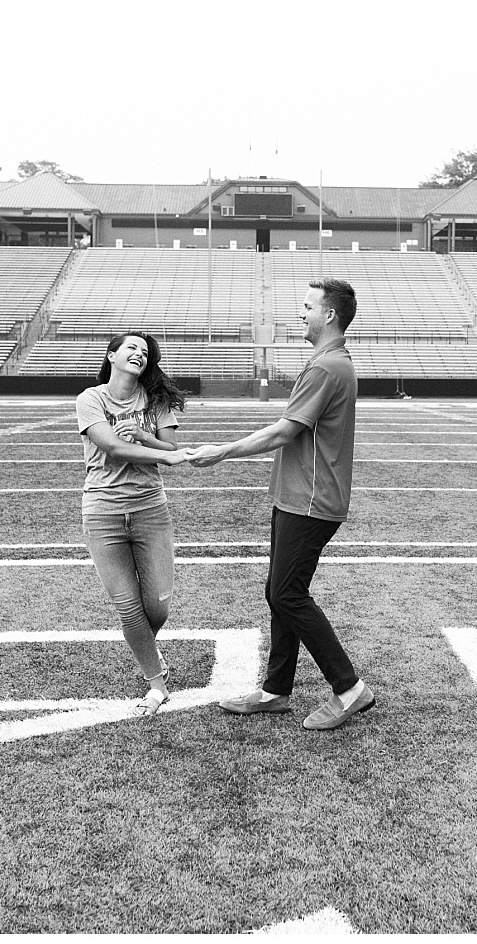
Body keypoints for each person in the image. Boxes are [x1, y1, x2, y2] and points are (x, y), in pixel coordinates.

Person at [188, 278, 374, 731]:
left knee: (286, 594)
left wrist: (222, 451)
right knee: (280, 593)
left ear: (329, 315)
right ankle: (276, 690)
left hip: (310, 501)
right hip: (297, 497)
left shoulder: (326, 367)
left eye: (307, 306)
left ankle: (350, 688)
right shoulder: (329, 363)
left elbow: (282, 432)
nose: (301, 313)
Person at [76, 332, 190, 716]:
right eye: (131, 348)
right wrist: (160, 454)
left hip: (150, 510)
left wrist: (145, 435)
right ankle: (156, 684)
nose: (139, 354)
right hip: (103, 512)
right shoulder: (91, 399)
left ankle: (143, 642)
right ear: (111, 355)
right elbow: (111, 446)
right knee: (128, 607)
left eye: (145, 352)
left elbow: (170, 447)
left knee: (157, 607)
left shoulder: (154, 401)